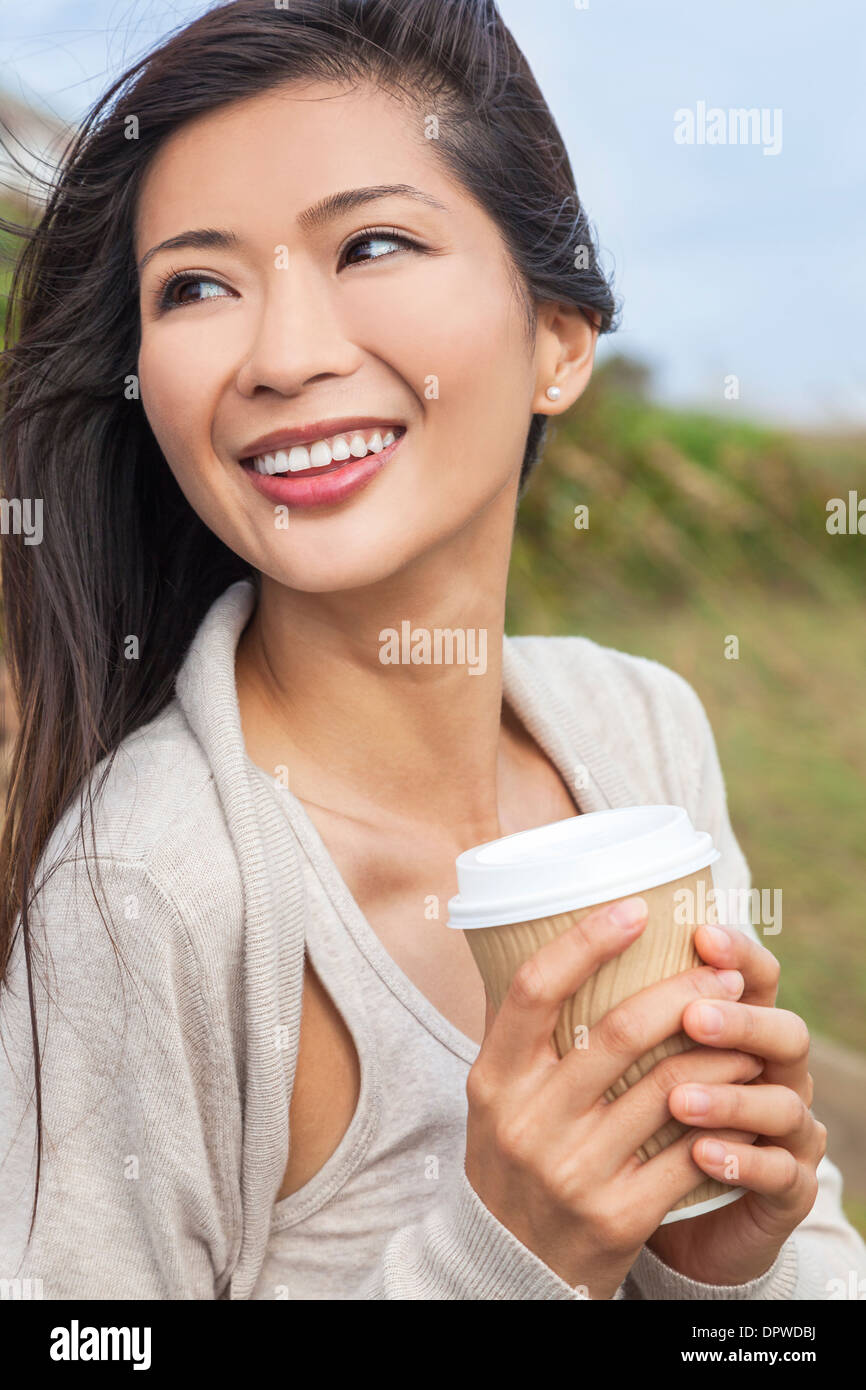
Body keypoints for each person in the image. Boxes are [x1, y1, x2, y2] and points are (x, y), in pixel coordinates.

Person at [1, 0, 863, 1300]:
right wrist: (504, 1254)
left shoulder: (637, 731)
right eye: (196, 284)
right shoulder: (150, 891)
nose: (282, 355)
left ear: (559, 343)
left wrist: (726, 1270)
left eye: (374, 242)